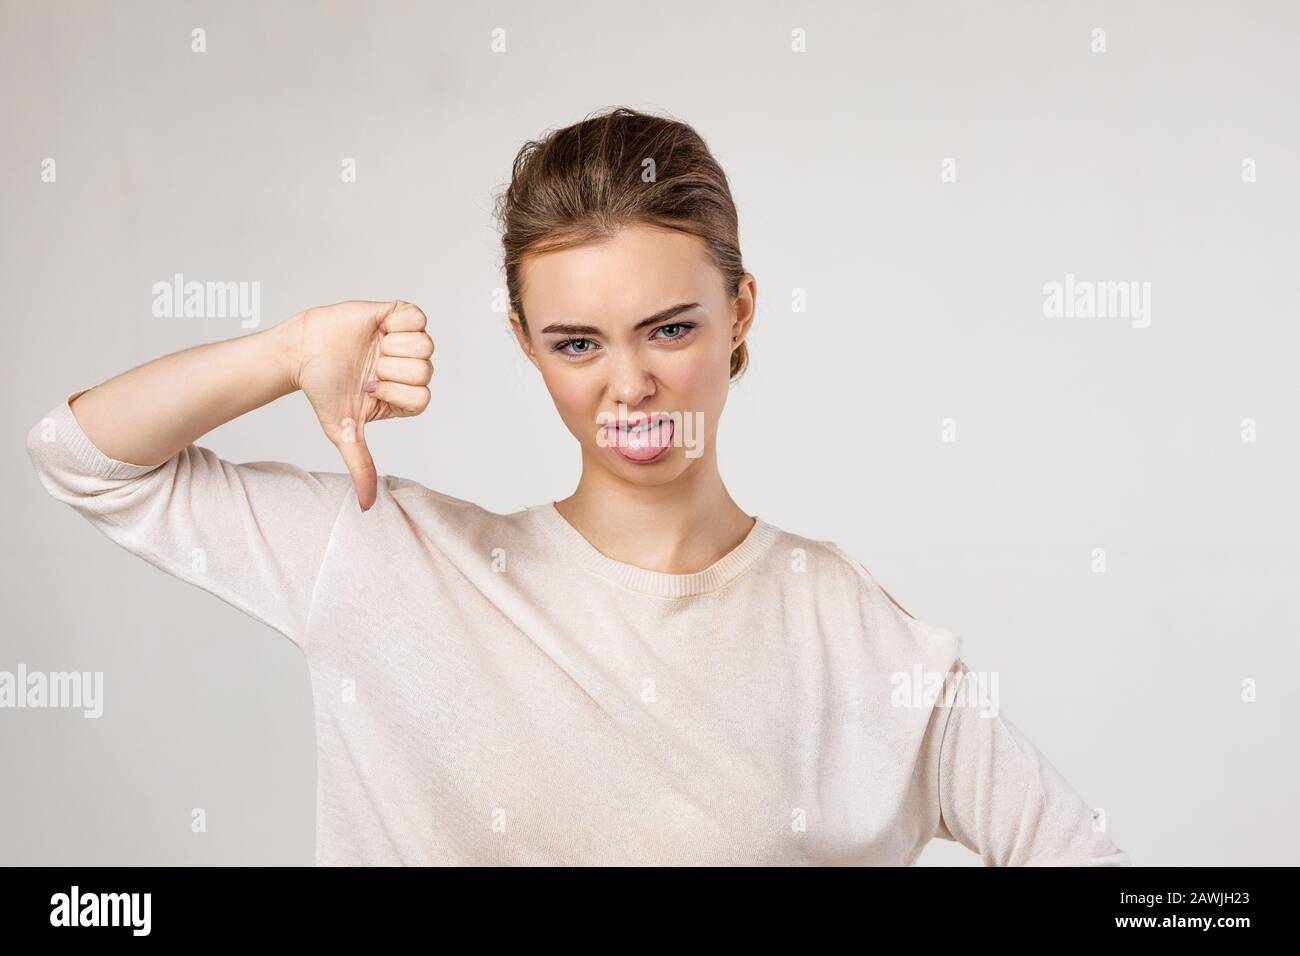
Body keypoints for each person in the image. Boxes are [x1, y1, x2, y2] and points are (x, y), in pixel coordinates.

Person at [24, 106, 1130, 866]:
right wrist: (288, 350)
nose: (631, 384)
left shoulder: (849, 631)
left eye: (669, 328)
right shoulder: (387, 560)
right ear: (522, 341)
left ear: (738, 311)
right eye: (576, 343)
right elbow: (82, 456)